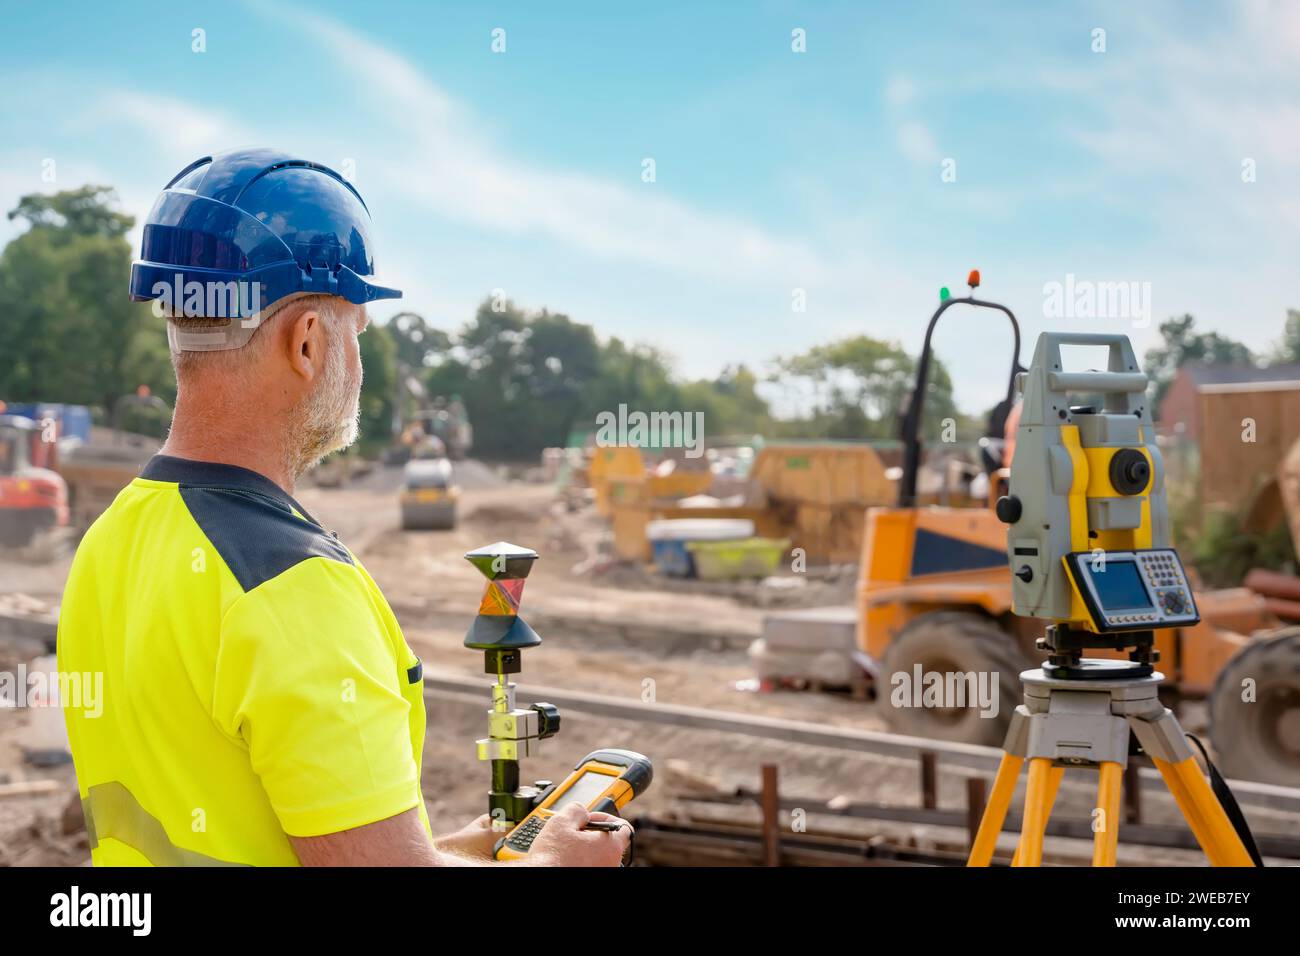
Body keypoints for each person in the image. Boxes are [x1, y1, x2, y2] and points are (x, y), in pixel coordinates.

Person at [56, 149, 629, 866]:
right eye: (354, 331)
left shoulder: (111, 541)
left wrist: (456, 850)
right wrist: (556, 865)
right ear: (305, 342)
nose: (356, 361)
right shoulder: (294, 586)